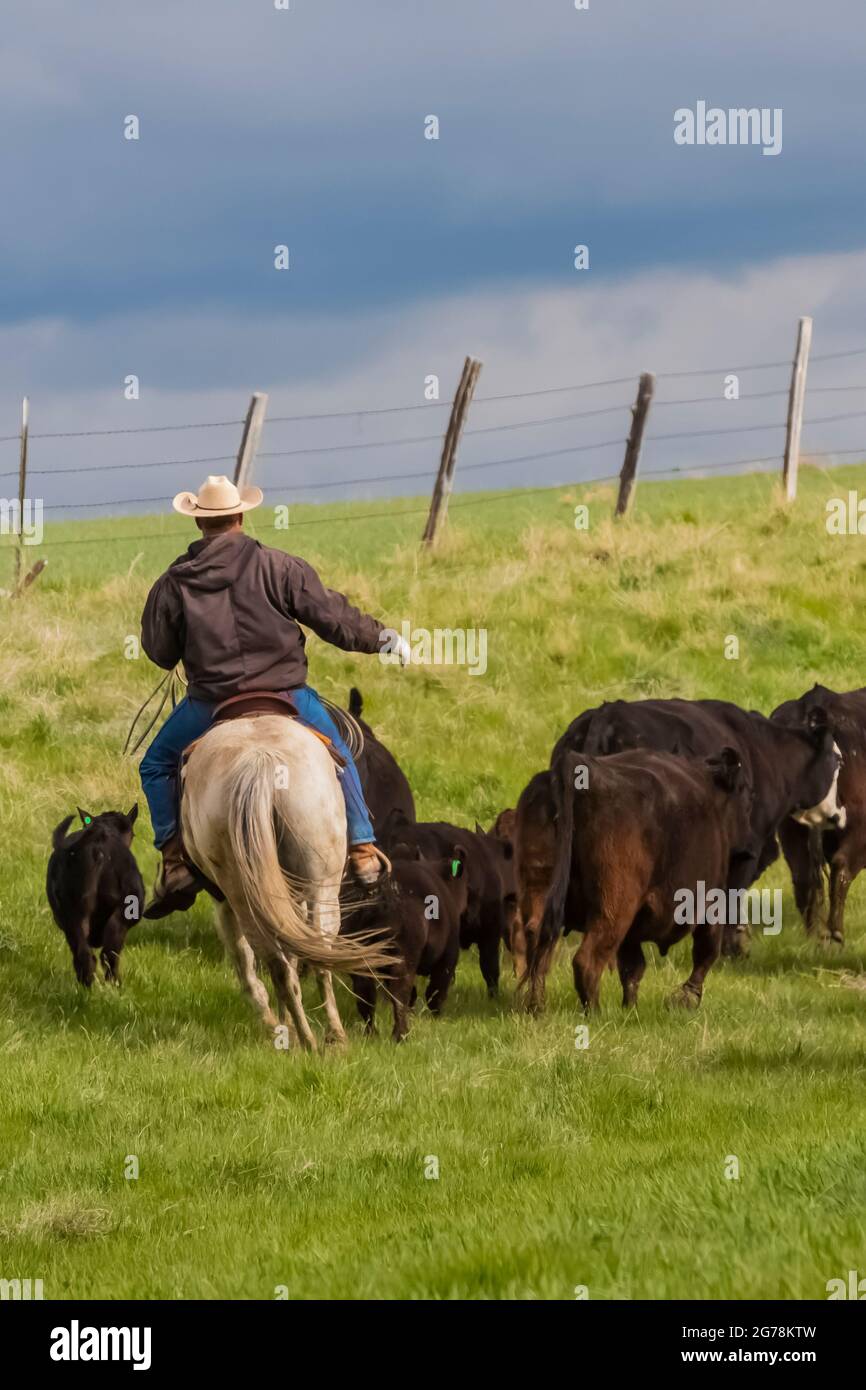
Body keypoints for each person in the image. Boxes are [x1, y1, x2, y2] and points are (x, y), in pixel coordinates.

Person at [138, 474, 407, 917]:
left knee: (156, 764)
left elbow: (159, 652)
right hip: (287, 696)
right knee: (338, 752)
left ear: (199, 524)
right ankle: (361, 846)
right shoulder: (281, 567)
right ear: (240, 516)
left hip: (211, 705)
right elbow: (334, 619)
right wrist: (383, 638)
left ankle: (174, 860)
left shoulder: (174, 583)